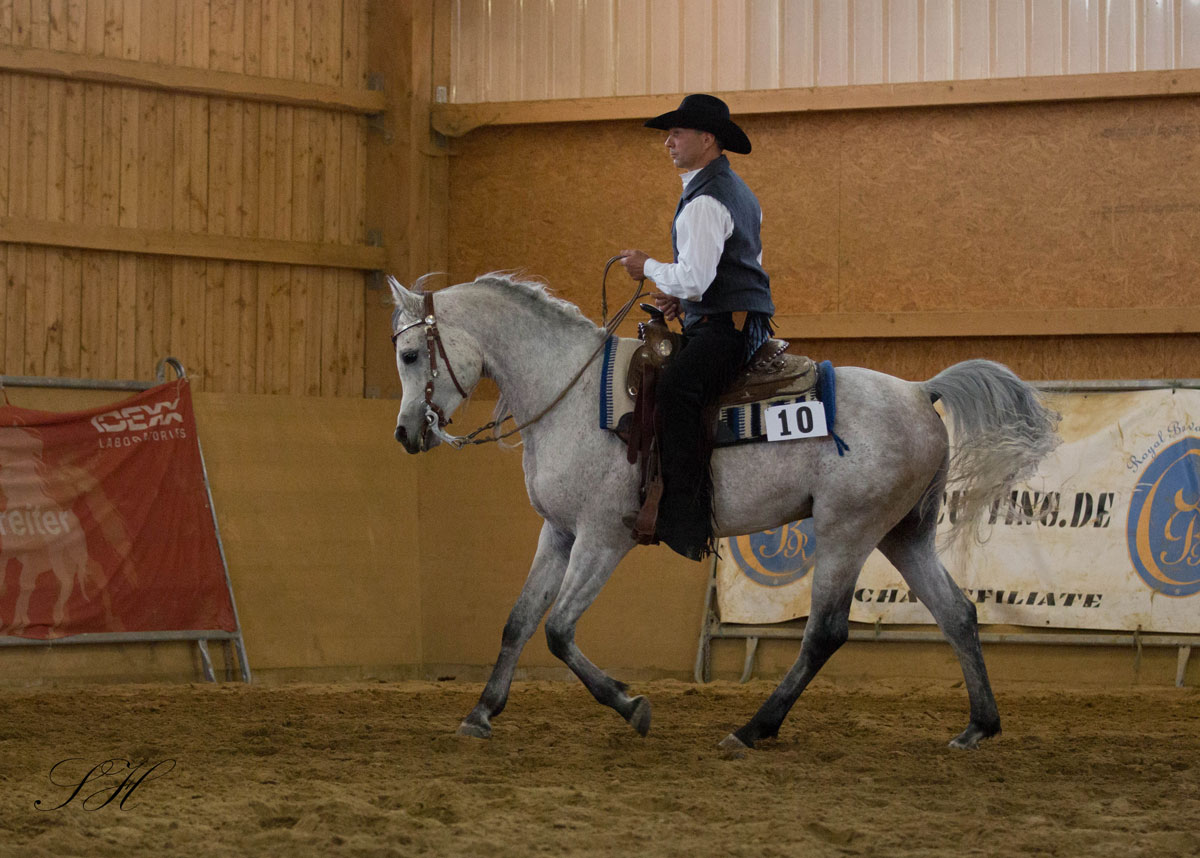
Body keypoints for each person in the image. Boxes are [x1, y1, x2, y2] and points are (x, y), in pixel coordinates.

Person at [619, 93, 775, 561]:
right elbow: (733, 268)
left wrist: (649, 267)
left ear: (707, 139)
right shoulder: (736, 192)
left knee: (675, 392)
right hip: (735, 322)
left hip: (723, 331)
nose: (667, 141)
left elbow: (697, 276)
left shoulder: (706, 201)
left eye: (677, 133)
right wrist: (683, 298)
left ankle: (685, 521)